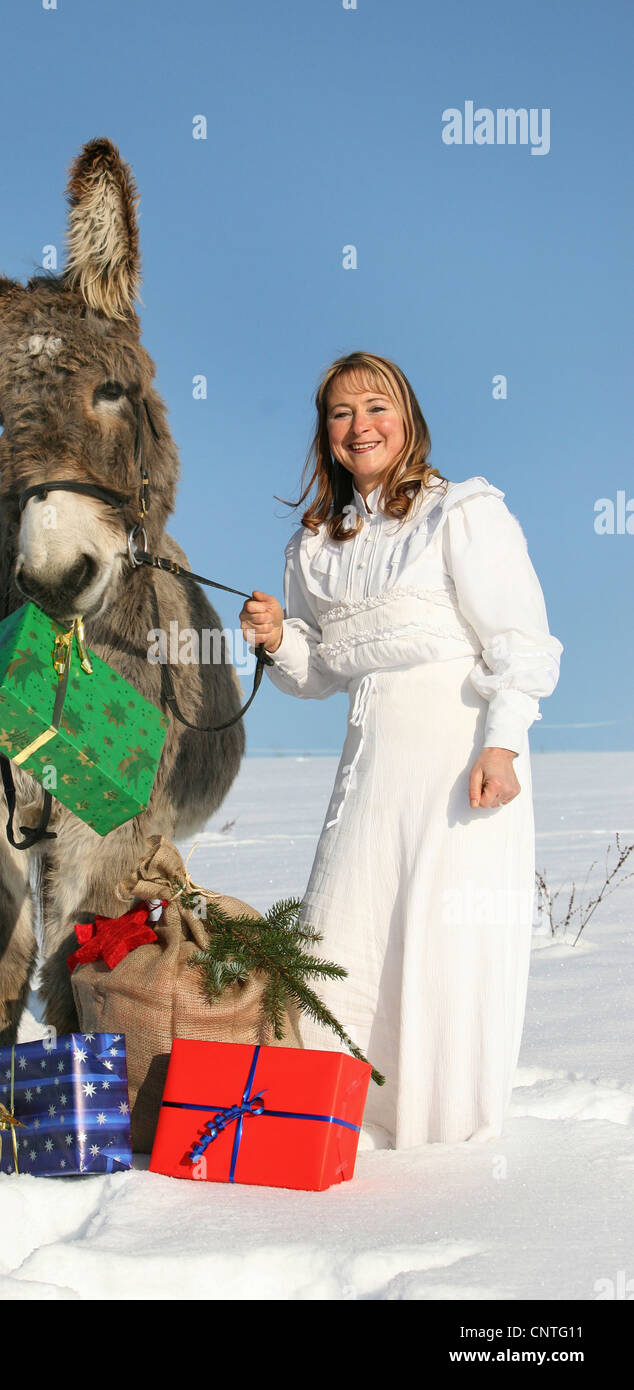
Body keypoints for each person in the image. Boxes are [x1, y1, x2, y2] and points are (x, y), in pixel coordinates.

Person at [239, 351, 563, 1150]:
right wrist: (281, 640)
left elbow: (519, 642)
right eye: (341, 414)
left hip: (460, 770)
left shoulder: (463, 512)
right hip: (368, 775)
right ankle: (331, 1126)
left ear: (408, 417)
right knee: (336, 940)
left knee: (443, 946)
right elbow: (320, 673)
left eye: (376, 407)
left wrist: (503, 746)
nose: (360, 426)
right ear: (327, 435)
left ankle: (440, 1150)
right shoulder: (320, 542)